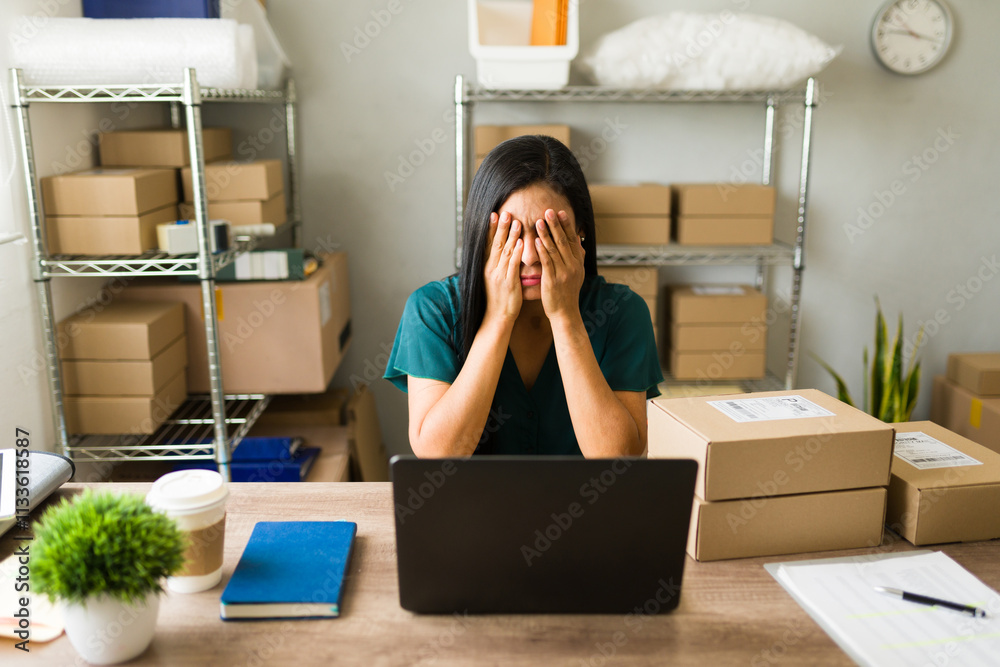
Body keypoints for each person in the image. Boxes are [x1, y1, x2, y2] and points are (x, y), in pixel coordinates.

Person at [384, 135, 662, 458]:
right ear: (483, 234)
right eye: (511, 234)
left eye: (548, 233)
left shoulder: (623, 312)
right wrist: (498, 317)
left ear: (580, 231)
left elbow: (618, 458)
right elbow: (438, 456)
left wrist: (566, 317)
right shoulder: (432, 310)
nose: (529, 256)